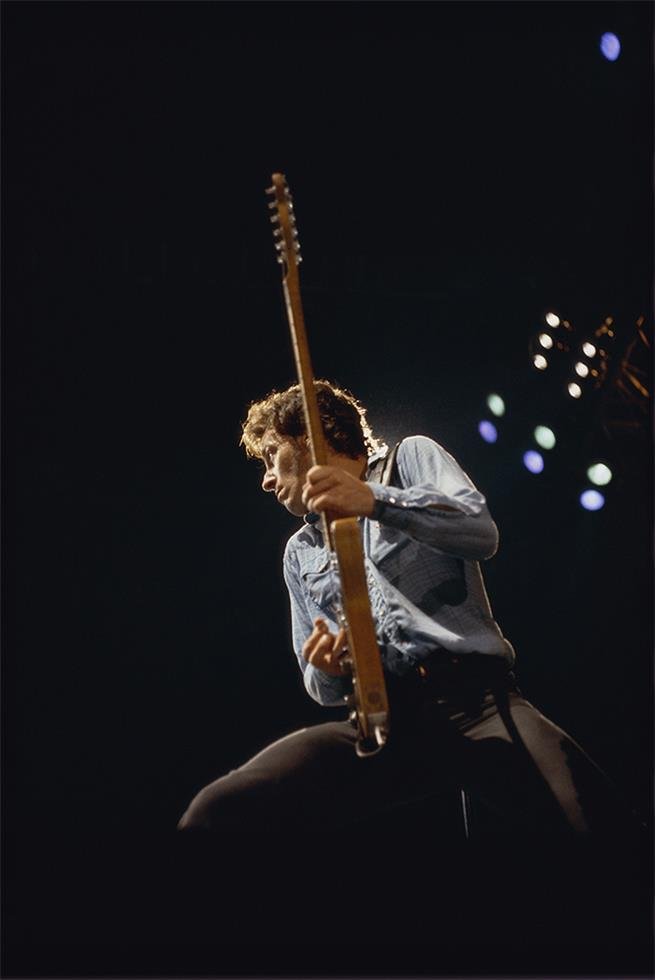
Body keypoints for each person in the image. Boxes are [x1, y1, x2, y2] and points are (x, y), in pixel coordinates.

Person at [177, 379, 638, 842]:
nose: (266, 479)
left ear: (312, 435)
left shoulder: (409, 459)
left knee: (610, 834)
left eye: (271, 455)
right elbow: (320, 687)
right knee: (218, 811)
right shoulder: (299, 552)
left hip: (477, 703)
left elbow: (480, 531)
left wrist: (374, 501)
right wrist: (330, 668)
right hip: (387, 724)